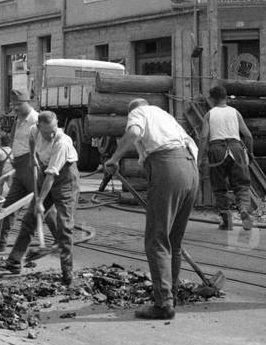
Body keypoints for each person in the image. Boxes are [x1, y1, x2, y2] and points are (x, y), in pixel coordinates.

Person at [103, 100, 199, 320]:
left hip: (167, 168)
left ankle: (163, 304)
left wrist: (115, 158)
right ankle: (171, 296)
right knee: (173, 241)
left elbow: (134, 132)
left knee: (157, 240)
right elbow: (191, 145)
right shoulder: (166, 116)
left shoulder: (139, 112)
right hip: (190, 169)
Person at [0, 111, 79, 283]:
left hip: (66, 179)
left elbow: (52, 176)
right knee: (29, 219)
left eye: (53, 130)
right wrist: (33, 157)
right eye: (47, 132)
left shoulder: (62, 142)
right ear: (39, 127)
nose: (51, 134)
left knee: (65, 225)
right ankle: (14, 261)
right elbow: (32, 140)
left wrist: (40, 201)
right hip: (46, 172)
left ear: (57, 124)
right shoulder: (34, 130)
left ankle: (67, 273)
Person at [0, 88, 56, 250]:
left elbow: (47, 145)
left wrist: (37, 162)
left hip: (32, 166)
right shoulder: (18, 119)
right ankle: (1, 244)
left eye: (18, 104)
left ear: (27, 102)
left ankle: (60, 238)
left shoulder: (36, 119)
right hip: (19, 167)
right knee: (9, 206)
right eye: (13, 104)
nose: (15, 108)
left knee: (42, 203)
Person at [199, 84, 254, 230]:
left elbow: (204, 137)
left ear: (211, 99)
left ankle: (226, 221)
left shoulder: (209, 114)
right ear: (226, 97)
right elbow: (248, 135)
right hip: (236, 149)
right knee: (242, 185)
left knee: (219, 187)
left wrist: (200, 158)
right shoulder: (235, 112)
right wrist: (250, 153)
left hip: (216, 150)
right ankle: (243, 209)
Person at [0, 132, 13, 198]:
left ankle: (0, 196)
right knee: (10, 185)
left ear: (1, 142)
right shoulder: (12, 151)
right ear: (10, 143)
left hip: (2, 171)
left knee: (0, 185)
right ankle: (12, 197)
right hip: (10, 171)